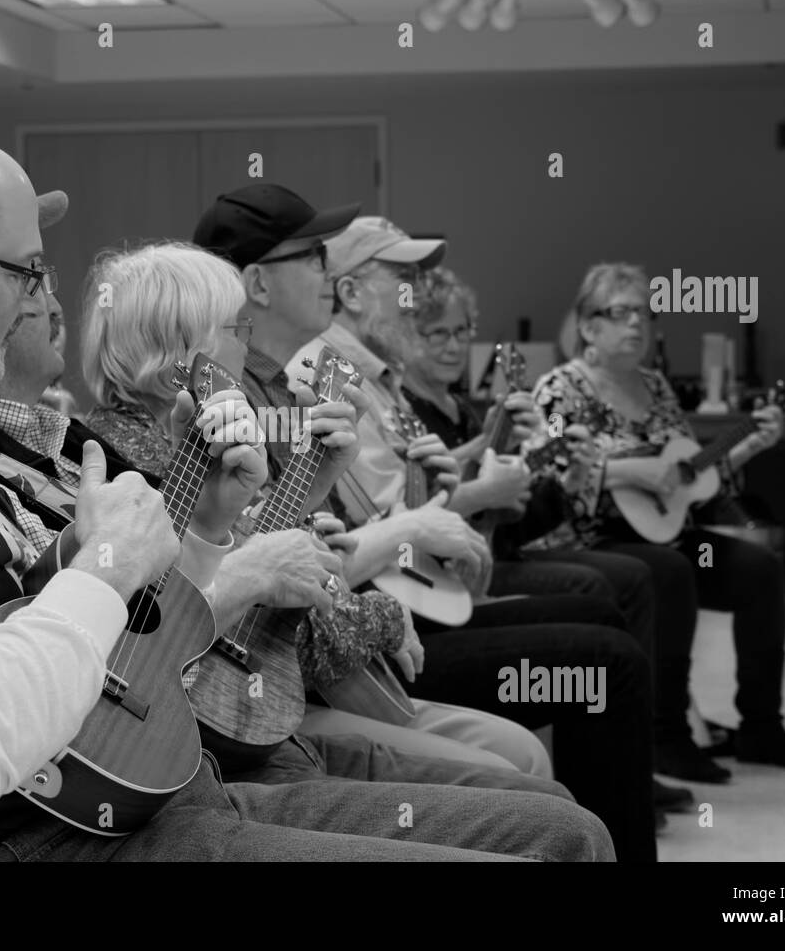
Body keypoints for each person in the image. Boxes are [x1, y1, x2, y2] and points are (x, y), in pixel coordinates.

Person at [0, 120, 610, 862]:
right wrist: (105, 564)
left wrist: (190, 533)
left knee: (566, 831)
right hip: (55, 841)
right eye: (22, 269)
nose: (37, 299)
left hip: (159, 785)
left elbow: (63, 623)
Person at [196, 192, 655, 860]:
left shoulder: (348, 382)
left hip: (375, 624)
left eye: (457, 327)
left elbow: (361, 523)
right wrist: (459, 503)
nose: (418, 297)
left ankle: (630, 786)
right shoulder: (320, 374)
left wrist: (454, 484)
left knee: (613, 614)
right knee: (609, 639)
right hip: (342, 650)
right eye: (401, 279)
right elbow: (346, 544)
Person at [80, 240, 554, 778]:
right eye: (236, 328)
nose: (249, 343)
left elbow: (253, 563)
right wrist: (383, 615)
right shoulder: (136, 458)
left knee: (519, 751)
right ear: (181, 357)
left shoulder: (199, 436)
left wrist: (313, 489)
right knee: (516, 763)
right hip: (237, 715)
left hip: (290, 692)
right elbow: (242, 622)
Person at [398, 266, 693, 815]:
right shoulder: (409, 415)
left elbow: (517, 521)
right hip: (434, 586)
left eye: (462, 332)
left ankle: (632, 757)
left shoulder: (468, 411)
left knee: (625, 582)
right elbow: (426, 520)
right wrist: (492, 492)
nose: (451, 345)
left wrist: (558, 477)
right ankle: (619, 771)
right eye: (435, 332)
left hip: (486, 559)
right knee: (607, 585)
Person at [531, 261, 785, 782]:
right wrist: (630, 469)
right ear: (588, 326)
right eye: (622, 313)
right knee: (667, 571)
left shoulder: (656, 386)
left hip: (665, 531)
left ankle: (762, 726)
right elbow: (551, 468)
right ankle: (665, 735)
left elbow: (687, 478)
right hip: (589, 537)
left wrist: (746, 448)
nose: (637, 325)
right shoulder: (560, 388)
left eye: (645, 314)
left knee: (759, 569)